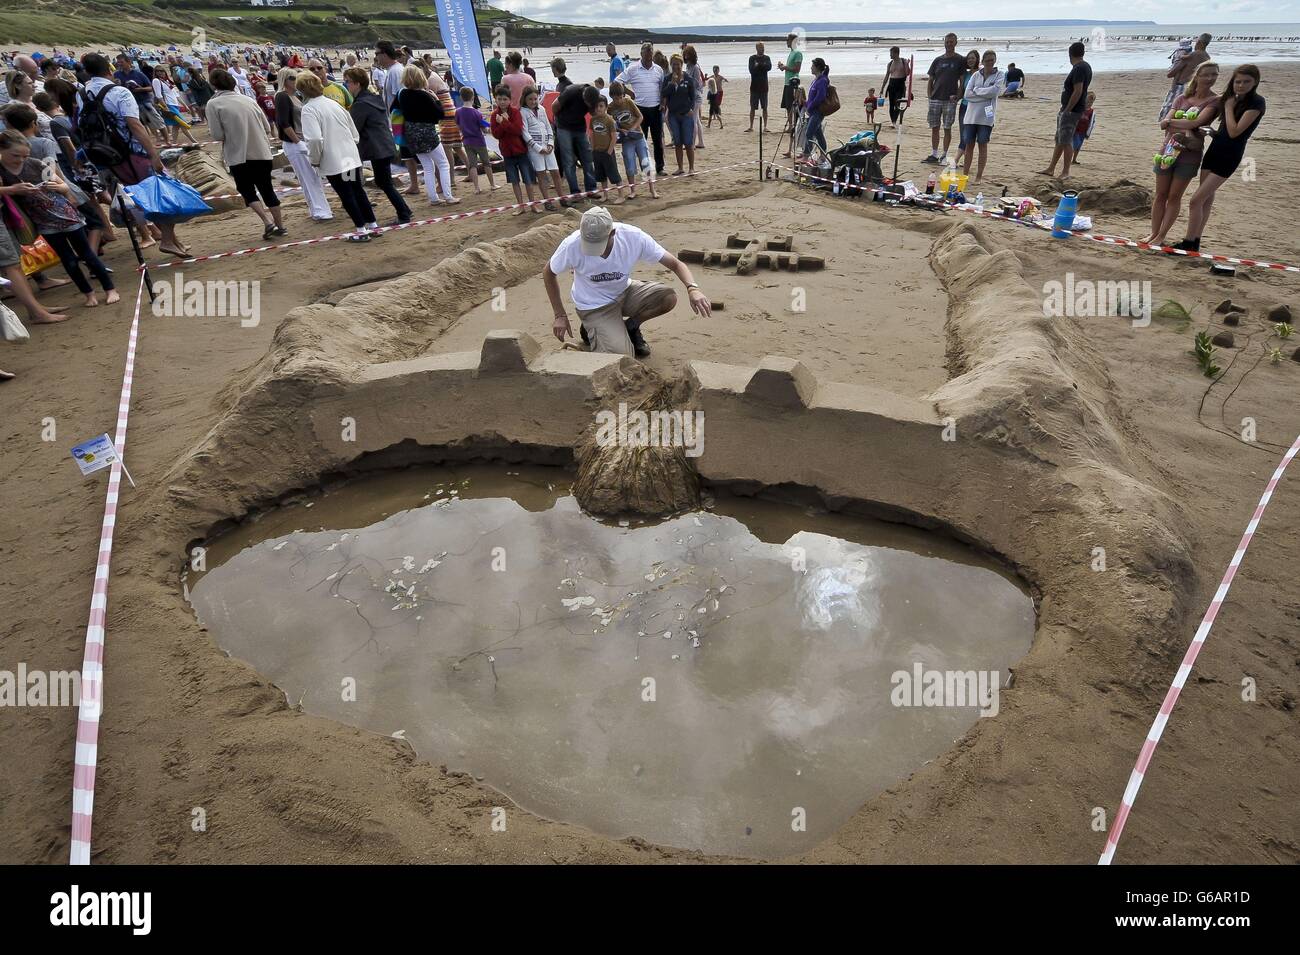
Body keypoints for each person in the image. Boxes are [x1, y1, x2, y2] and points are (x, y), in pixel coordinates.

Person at [545, 206, 710, 359]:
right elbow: (549, 272)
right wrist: (559, 315)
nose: (595, 251)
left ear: (613, 233)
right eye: (590, 245)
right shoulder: (572, 244)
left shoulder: (633, 237)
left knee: (667, 297)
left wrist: (692, 288)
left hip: (624, 290)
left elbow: (676, 264)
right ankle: (593, 327)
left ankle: (630, 326)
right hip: (594, 305)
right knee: (621, 357)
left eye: (599, 245)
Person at [79, 53, 188, 256]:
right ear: (110, 69)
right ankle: (167, 240)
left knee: (141, 196)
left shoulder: (83, 93)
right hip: (133, 152)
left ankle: (174, 241)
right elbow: (135, 125)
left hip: (107, 154)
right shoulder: (119, 92)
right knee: (162, 195)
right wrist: (153, 154)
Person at [0, 130, 118, 307]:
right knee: (68, 260)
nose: (21, 160)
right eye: (16, 155)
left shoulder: (35, 164)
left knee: (87, 254)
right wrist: (15, 190)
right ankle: (89, 294)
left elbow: (63, 186)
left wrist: (55, 186)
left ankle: (110, 289)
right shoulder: (2, 171)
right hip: (43, 222)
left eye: (25, 155)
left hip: (66, 216)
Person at [1175, 64, 1265, 252]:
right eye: (1237, 81)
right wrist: (1212, 132)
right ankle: (1196, 240)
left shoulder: (1256, 102)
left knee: (1195, 200)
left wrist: (1229, 107)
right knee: (1206, 198)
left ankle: (1189, 242)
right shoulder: (1230, 98)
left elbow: (1235, 132)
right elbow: (1225, 130)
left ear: (1255, 82)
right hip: (1215, 149)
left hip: (1230, 155)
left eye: (1246, 82)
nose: (1240, 85)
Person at [1139, 64, 1217, 246]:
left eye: (1214, 75)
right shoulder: (1182, 98)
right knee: (1160, 194)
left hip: (1190, 154)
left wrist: (1172, 122)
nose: (1210, 78)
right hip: (1168, 149)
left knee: (1174, 196)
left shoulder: (1214, 101)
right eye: (1206, 75)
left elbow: (1194, 123)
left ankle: (1161, 235)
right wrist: (1176, 123)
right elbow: (1163, 124)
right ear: (1197, 76)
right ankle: (1153, 233)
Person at [205, 68, 286, 241]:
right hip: (261, 152)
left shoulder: (213, 104)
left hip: (238, 154)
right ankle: (280, 225)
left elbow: (217, 135)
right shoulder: (249, 99)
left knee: (246, 190)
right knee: (267, 189)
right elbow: (266, 126)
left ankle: (267, 220)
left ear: (214, 84)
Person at [297, 71, 378, 241]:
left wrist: (315, 159)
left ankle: (361, 230)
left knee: (346, 193)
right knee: (356, 190)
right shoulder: (334, 104)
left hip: (334, 160)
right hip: (349, 155)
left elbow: (314, 139)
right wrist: (350, 144)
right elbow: (353, 130)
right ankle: (372, 225)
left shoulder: (309, 110)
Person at [344, 67, 412, 224]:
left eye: (348, 82)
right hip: (384, 145)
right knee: (384, 181)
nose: (347, 85)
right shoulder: (373, 98)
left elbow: (354, 128)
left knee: (384, 182)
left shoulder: (361, 104)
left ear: (357, 83)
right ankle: (404, 210)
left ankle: (404, 213)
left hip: (378, 148)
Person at [274, 71, 334, 221]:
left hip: (301, 141)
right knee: (309, 178)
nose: (295, 80)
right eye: (292, 78)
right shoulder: (283, 96)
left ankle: (317, 209)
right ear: (285, 80)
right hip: (296, 143)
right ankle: (320, 210)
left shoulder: (297, 96)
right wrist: (297, 141)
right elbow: (283, 122)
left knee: (310, 178)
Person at [397, 65, 458, 206]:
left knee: (427, 167)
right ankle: (448, 196)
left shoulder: (403, 94)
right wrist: (436, 98)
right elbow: (440, 114)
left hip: (411, 133)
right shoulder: (424, 95)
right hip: (427, 132)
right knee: (443, 164)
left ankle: (434, 198)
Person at [1037, 42, 1092, 180]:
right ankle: (1051, 168)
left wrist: (1067, 109)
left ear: (1070, 54)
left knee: (1066, 140)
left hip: (1072, 110)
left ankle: (1066, 171)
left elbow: (1078, 91)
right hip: (1070, 109)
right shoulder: (1085, 66)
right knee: (1060, 139)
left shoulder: (1079, 68)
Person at [615, 43, 666, 175]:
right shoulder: (633, 69)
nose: (649, 57)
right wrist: (629, 92)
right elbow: (617, 81)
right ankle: (644, 167)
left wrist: (663, 102)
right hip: (639, 109)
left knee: (657, 139)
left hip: (655, 109)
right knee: (640, 139)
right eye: (646, 54)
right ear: (641, 54)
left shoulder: (658, 70)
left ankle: (660, 167)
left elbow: (662, 87)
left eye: (651, 54)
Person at [489, 85, 539, 216]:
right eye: (499, 99)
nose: (502, 102)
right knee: (514, 181)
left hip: (521, 151)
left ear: (510, 100)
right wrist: (502, 124)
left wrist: (504, 122)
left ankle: (533, 204)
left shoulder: (516, 112)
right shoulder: (494, 115)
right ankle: (521, 206)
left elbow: (517, 130)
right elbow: (496, 134)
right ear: (496, 100)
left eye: (505, 99)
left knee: (528, 180)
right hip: (507, 153)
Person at [958, 50, 1005, 183]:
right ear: (983, 61)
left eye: (992, 60)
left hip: (987, 116)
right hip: (971, 116)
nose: (990, 62)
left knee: (982, 145)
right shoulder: (976, 75)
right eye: (987, 60)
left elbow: (995, 92)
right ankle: (965, 174)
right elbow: (967, 95)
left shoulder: (1000, 75)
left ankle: (978, 176)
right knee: (969, 145)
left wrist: (977, 91)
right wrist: (983, 95)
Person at [553, 81, 600, 199]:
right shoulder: (571, 92)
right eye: (587, 104)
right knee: (568, 161)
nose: (588, 106)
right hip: (564, 127)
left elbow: (593, 113)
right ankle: (575, 192)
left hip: (579, 127)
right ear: (583, 96)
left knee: (587, 158)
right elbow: (554, 106)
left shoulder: (594, 96)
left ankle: (591, 189)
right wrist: (559, 123)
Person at [610, 81, 656, 200]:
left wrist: (632, 128)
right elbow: (612, 125)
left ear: (623, 95)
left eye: (620, 97)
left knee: (645, 162)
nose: (618, 101)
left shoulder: (628, 102)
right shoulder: (610, 108)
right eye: (615, 99)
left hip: (638, 135)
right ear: (612, 97)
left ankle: (652, 189)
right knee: (629, 163)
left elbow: (640, 116)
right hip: (626, 139)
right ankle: (633, 190)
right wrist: (621, 130)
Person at [923, 33, 964, 164]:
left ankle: (944, 155)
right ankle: (934, 154)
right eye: (947, 42)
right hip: (935, 98)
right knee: (934, 127)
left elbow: (962, 81)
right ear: (944, 43)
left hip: (950, 100)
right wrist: (930, 96)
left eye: (951, 42)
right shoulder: (938, 60)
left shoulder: (960, 60)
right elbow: (931, 79)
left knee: (947, 127)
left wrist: (958, 96)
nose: (949, 44)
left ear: (956, 43)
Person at [521, 86, 563, 211]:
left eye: (535, 99)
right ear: (525, 99)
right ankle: (547, 201)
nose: (533, 102)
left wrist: (551, 143)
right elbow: (525, 132)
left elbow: (548, 126)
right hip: (535, 149)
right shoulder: (522, 112)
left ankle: (562, 198)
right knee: (541, 174)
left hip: (548, 146)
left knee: (555, 171)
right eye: (530, 99)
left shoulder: (542, 109)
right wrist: (537, 148)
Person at [1160, 33, 1212, 121]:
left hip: (1181, 87)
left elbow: (1170, 74)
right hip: (1196, 88)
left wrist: (1177, 59)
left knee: (1171, 114)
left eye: (1197, 41)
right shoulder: (1207, 57)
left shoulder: (1192, 55)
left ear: (1199, 42)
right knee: (1187, 115)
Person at [455, 86, 496, 192]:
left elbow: (458, 127)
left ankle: (477, 188)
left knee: (472, 165)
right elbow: (484, 129)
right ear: (473, 97)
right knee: (486, 163)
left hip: (467, 141)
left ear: (461, 97)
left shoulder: (458, 112)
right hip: (479, 140)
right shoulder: (477, 113)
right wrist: (489, 128)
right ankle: (492, 185)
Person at [660, 56, 697, 176]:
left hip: (686, 114)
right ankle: (680, 167)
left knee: (688, 142)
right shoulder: (667, 79)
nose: (676, 67)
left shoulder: (688, 78)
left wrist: (691, 109)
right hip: (673, 115)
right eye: (673, 64)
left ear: (682, 65)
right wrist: (672, 84)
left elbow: (693, 96)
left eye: (678, 64)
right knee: (677, 142)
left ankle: (691, 168)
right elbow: (664, 93)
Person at [588, 96, 624, 205]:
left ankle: (621, 195)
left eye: (601, 106)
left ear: (606, 107)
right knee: (601, 175)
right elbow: (592, 135)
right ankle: (605, 194)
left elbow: (614, 137)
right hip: (597, 152)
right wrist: (593, 148)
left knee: (614, 174)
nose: (598, 109)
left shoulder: (609, 120)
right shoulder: (593, 119)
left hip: (607, 152)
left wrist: (609, 151)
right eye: (597, 106)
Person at [151, 65, 198, 145]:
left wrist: (185, 105)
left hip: (174, 104)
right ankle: (194, 141)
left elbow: (175, 94)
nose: (160, 73)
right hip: (169, 105)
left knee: (176, 126)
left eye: (161, 71)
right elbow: (159, 95)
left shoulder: (166, 81)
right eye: (157, 71)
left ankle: (174, 143)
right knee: (182, 123)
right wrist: (165, 107)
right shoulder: (156, 81)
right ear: (155, 73)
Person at [801, 58, 830, 158]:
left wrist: (810, 107)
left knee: (809, 133)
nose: (811, 68)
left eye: (812, 66)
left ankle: (806, 154)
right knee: (818, 133)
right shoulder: (816, 80)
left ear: (817, 67)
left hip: (818, 111)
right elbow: (812, 96)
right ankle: (823, 153)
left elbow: (820, 97)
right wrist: (806, 103)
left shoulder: (822, 80)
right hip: (812, 110)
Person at [682, 46, 707, 149]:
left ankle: (692, 143)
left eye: (687, 54)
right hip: (691, 96)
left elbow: (697, 83)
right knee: (696, 119)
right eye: (684, 54)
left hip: (695, 96)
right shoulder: (688, 66)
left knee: (693, 120)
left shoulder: (695, 67)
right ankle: (700, 142)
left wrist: (687, 80)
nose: (685, 56)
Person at [779, 32, 804, 135]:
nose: (786, 42)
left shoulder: (798, 53)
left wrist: (786, 67)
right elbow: (790, 68)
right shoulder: (791, 52)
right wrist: (783, 67)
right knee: (788, 105)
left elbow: (797, 69)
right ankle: (790, 126)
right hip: (787, 82)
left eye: (788, 40)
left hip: (793, 83)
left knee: (794, 106)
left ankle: (795, 126)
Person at [881, 47, 911, 125]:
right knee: (891, 104)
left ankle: (894, 120)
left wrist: (907, 65)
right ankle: (893, 122)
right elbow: (887, 76)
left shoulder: (903, 61)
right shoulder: (890, 63)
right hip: (891, 84)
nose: (890, 55)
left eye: (891, 53)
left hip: (900, 84)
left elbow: (907, 73)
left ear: (896, 53)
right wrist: (882, 87)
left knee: (897, 103)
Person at [746, 41, 772, 133]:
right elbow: (751, 70)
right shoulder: (752, 58)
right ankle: (751, 126)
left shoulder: (767, 58)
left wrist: (759, 65)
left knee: (765, 107)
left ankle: (765, 126)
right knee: (753, 107)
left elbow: (769, 67)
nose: (762, 49)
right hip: (754, 86)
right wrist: (761, 66)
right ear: (757, 48)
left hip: (764, 86)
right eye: (761, 48)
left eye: (763, 48)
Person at [1071, 91, 1097, 164]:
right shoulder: (1080, 109)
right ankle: (1069, 158)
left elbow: (1091, 122)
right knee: (1075, 144)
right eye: (1087, 102)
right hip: (1076, 130)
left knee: (1079, 146)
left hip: (1083, 131)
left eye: (1091, 103)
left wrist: (1088, 133)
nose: (1089, 104)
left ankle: (1074, 159)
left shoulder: (1091, 111)